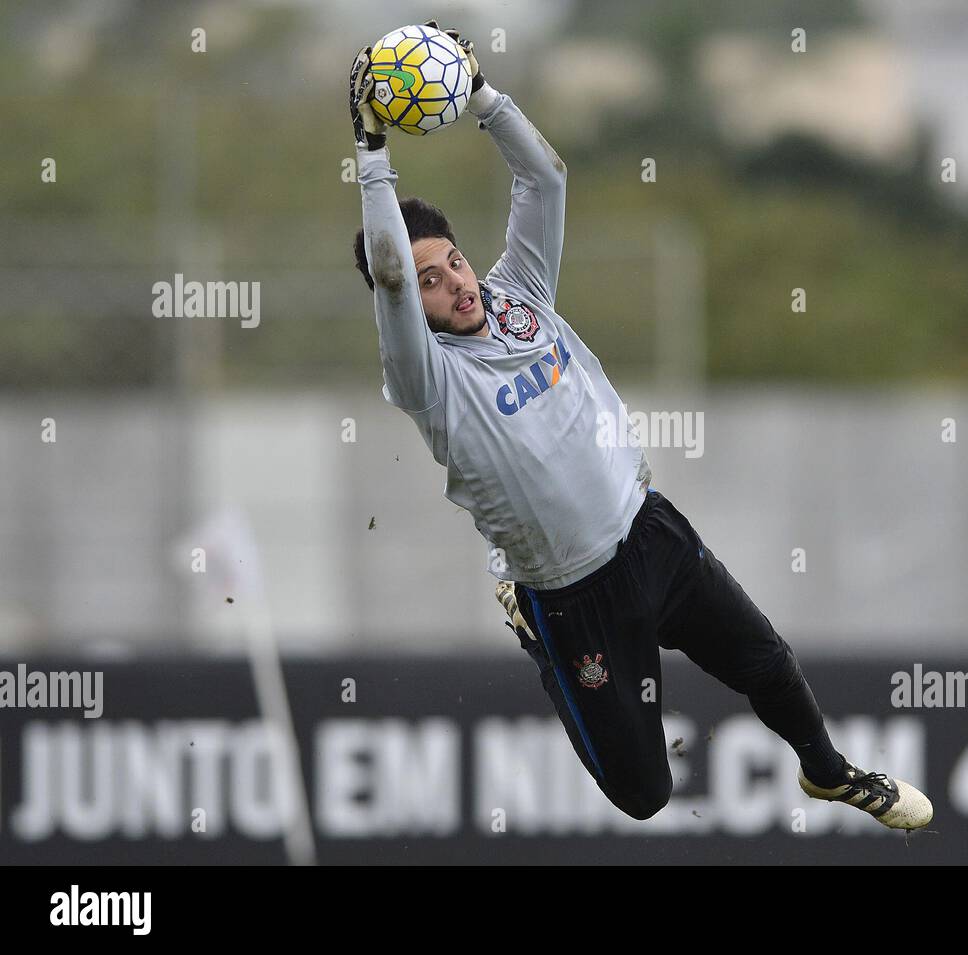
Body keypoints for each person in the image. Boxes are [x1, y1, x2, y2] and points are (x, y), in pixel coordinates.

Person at [348, 23, 932, 828]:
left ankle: (829, 773)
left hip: (648, 531)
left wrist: (482, 93)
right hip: (568, 595)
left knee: (766, 661)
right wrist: (371, 154)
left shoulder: (520, 292)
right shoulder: (429, 379)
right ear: (412, 306)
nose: (454, 281)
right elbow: (387, 276)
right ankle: (533, 632)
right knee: (645, 795)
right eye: (430, 283)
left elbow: (545, 179)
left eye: (452, 260)